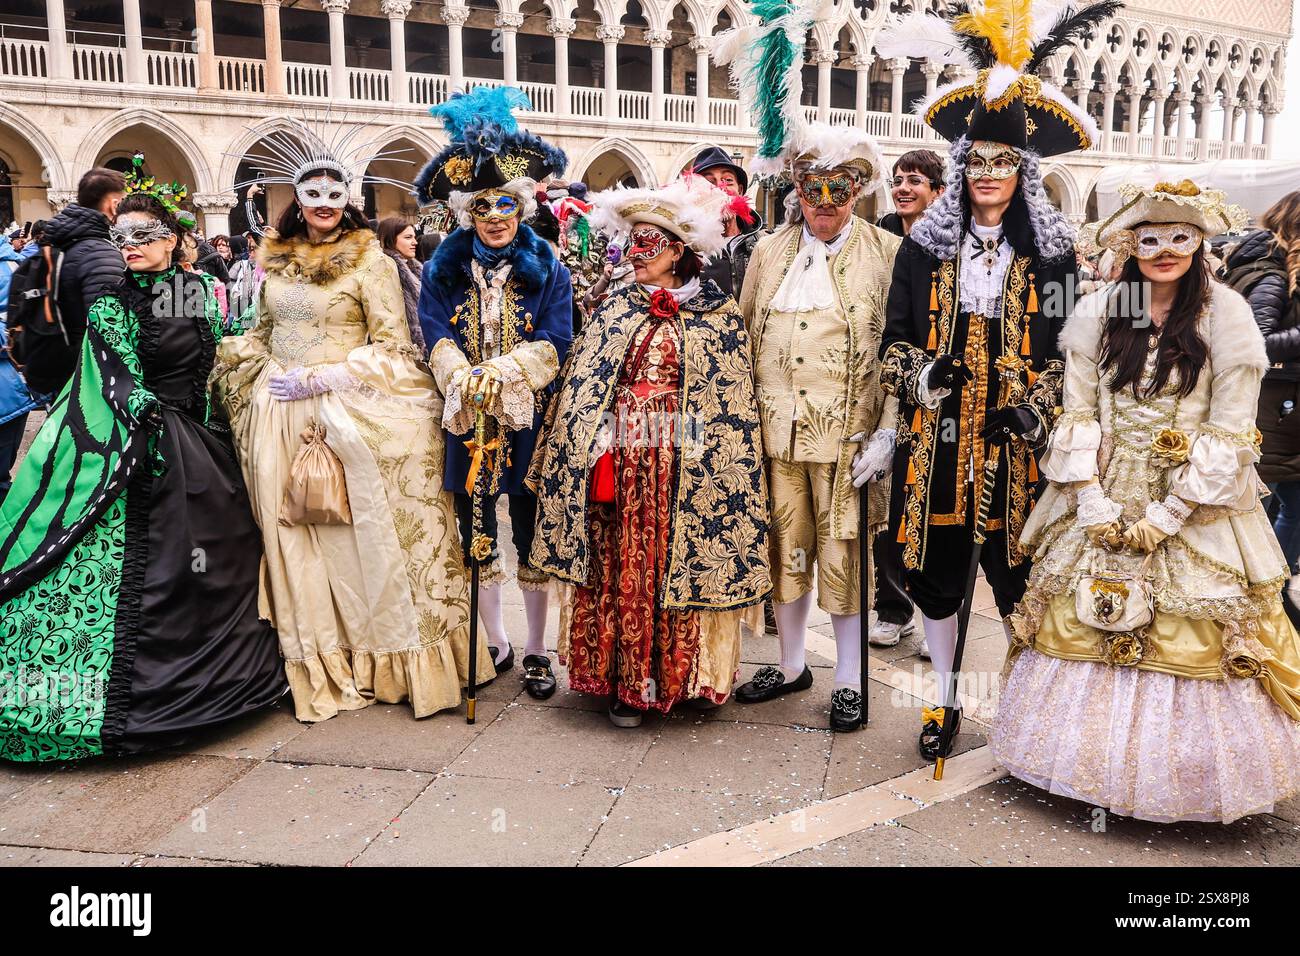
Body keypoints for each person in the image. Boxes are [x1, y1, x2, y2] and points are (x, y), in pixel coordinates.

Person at [994, 180, 1300, 824]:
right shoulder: (1100, 311)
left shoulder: (1226, 313)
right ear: (1128, 245)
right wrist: (1089, 498)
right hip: (1105, 492)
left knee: (1194, 626)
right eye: (1149, 238)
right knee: (1088, 611)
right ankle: (1089, 766)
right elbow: (1077, 411)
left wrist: (1174, 511)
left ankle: (1174, 781)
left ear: (1201, 244)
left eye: (1179, 238)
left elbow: (1231, 427)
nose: (1164, 252)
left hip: (1196, 501)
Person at [213, 118, 490, 723]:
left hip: (343, 407)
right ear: (295, 198)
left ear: (350, 199)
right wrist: (251, 362)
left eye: (334, 193)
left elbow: (394, 344)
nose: (323, 204)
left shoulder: (372, 263)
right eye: (312, 193)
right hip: (277, 412)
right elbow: (261, 329)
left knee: (360, 536)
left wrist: (328, 376)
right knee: (291, 539)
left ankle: (385, 659)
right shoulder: (275, 262)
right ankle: (319, 658)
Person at [0, 182, 285, 762]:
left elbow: (220, 351)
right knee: (162, 558)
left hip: (203, 437)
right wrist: (147, 411)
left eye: (142, 236)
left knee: (217, 549)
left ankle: (227, 677)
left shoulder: (195, 290)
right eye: (121, 236)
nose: (129, 245)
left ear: (172, 241)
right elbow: (114, 372)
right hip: (142, 443)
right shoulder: (114, 303)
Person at [879, 0, 1093, 758]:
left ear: (1023, 172)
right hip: (937, 440)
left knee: (1019, 574)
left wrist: (1033, 407)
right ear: (962, 169)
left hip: (1015, 446)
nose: (988, 176)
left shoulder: (1053, 258)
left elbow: (1071, 347)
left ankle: (1028, 712)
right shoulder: (921, 252)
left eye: (1003, 163)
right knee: (937, 573)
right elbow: (893, 341)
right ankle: (942, 700)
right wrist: (925, 372)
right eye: (977, 163)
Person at [531, 175, 770, 726]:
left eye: (648, 244)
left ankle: (685, 676)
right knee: (622, 565)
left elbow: (729, 401)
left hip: (684, 468)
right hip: (621, 461)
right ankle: (624, 682)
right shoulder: (616, 307)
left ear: (678, 252)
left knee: (676, 562)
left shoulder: (719, 314)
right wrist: (597, 436)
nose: (635, 254)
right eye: (631, 242)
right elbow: (586, 383)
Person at [730, 122, 900, 733]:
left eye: (838, 190)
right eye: (812, 191)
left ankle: (850, 679)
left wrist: (888, 430)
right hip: (776, 434)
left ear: (857, 190)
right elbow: (743, 328)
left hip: (847, 440)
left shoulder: (887, 252)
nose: (824, 204)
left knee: (843, 557)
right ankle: (791, 664)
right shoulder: (768, 250)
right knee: (786, 549)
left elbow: (902, 347)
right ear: (796, 191)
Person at [414, 87, 573, 698]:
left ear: (522, 205)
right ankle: (496, 642)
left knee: (529, 528)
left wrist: (505, 371)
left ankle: (536, 650)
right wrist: (461, 376)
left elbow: (557, 336)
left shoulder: (548, 267)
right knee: (475, 528)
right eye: (483, 205)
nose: (496, 216)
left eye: (506, 202)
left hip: (525, 416)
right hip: (466, 415)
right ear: (467, 212)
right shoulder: (442, 267)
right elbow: (432, 327)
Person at [867, 149, 946, 652]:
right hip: (886, 378)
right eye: (897, 179)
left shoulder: (951, 241)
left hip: (939, 386)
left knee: (935, 501)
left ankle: (939, 611)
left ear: (938, 190)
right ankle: (893, 609)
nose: (902, 188)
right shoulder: (878, 238)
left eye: (914, 180)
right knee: (888, 505)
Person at [1219, 192, 1300, 572]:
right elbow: (1257, 341)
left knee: (1280, 505)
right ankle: (1268, 586)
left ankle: (1272, 585)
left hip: (1279, 408)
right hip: (1272, 410)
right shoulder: (1271, 275)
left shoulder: (1275, 266)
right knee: (1267, 506)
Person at [35, 167, 126, 396]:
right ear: (114, 205)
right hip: (89, 378)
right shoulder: (100, 254)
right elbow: (108, 329)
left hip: (59, 364)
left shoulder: (60, 242)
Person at [692, 146, 765, 299]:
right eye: (709, 182)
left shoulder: (763, 243)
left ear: (740, 190)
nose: (720, 188)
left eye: (728, 180)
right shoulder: (686, 250)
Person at [376, 216, 425, 352]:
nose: (415, 242)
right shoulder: (386, 270)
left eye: (414, 237)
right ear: (391, 239)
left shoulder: (413, 268)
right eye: (408, 237)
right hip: (400, 349)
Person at [877, 149, 945, 238]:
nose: (902, 188)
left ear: (939, 192)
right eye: (897, 181)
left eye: (914, 181)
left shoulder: (951, 238)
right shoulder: (880, 231)